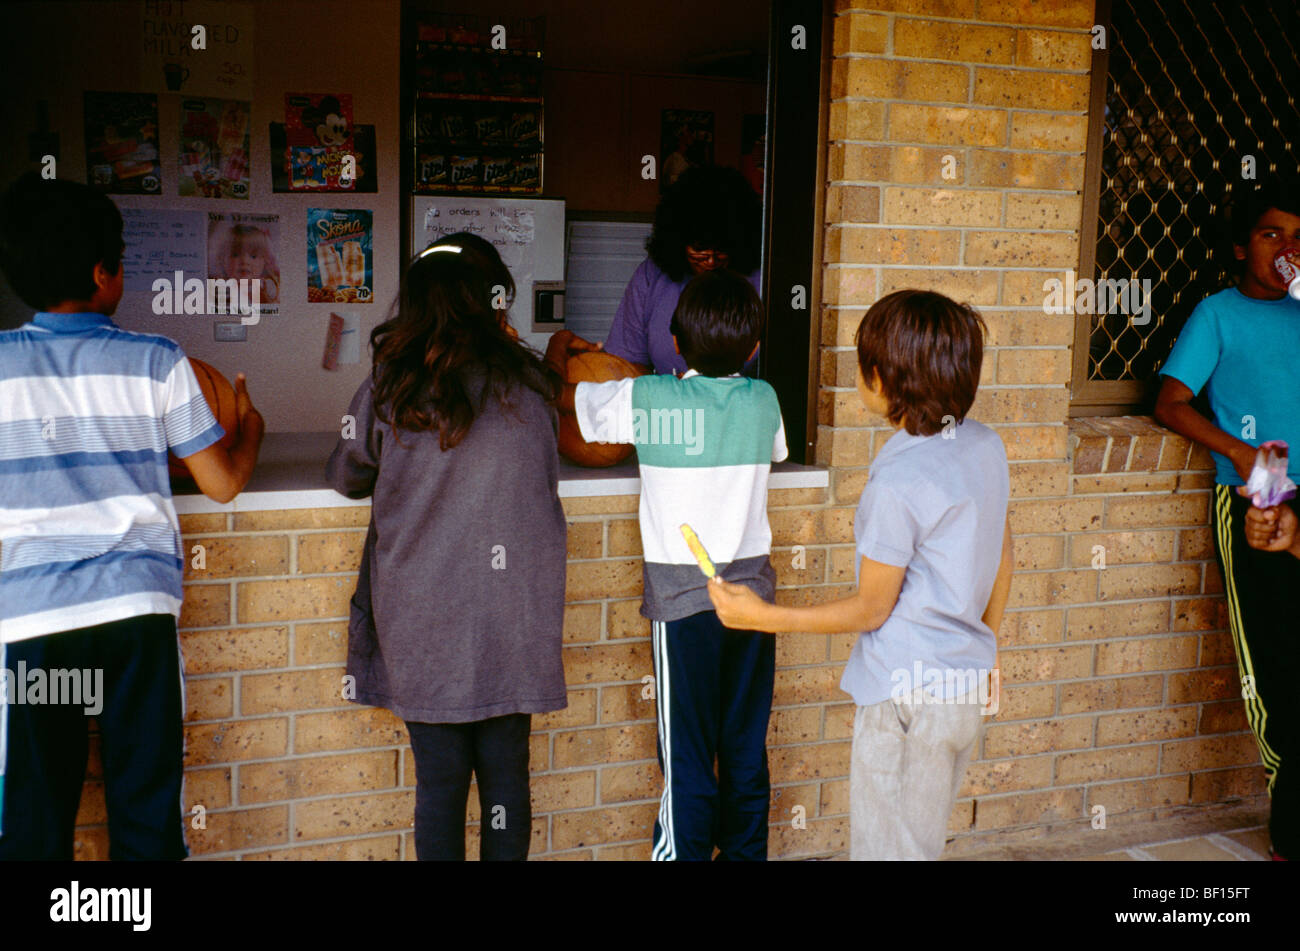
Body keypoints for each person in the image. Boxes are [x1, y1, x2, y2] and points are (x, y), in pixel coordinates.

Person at [0, 172, 264, 860]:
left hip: (38, 622)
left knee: (38, 809)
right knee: (146, 808)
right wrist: (252, 431)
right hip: (134, 619)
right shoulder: (157, 360)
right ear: (102, 273)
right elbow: (223, 485)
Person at [708, 290, 1014, 861]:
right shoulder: (982, 446)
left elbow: (874, 608)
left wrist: (762, 617)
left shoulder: (898, 483)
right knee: (917, 845)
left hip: (909, 700)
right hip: (961, 690)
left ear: (882, 377)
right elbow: (1004, 557)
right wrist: (985, 649)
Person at [326, 232, 567, 861]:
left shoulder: (391, 385)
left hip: (426, 621)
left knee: (439, 787)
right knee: (506, 779)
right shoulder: (533, 384)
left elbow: (347, 474)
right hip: (514, 620)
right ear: (494, 300)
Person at [562, 270, 786, 860]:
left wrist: (559, 353)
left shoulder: (648, 397)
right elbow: (775, 451)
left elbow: (574, 404)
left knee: (685, 755)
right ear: (756, 346)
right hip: (755, 607)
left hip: (685, 607)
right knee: (743, 749)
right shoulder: (764, 401)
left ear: (675, 342)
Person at [1154, 179, 1300, 862]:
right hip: (1261, 494)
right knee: (1275, 658)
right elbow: (1171, 401)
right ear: (1243, 245)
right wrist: (1241, 451)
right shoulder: (1219, 312)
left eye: (1298, 237)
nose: (1287, 248)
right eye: (1272, 234)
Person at [546, 165, 763, 396]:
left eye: (722, 249)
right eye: (699, 248)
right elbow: (624, 365)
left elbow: (563, 399)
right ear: (678, 239)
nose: (710, 260)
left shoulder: (763, 280)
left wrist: (557, 346)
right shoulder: (653, 276)